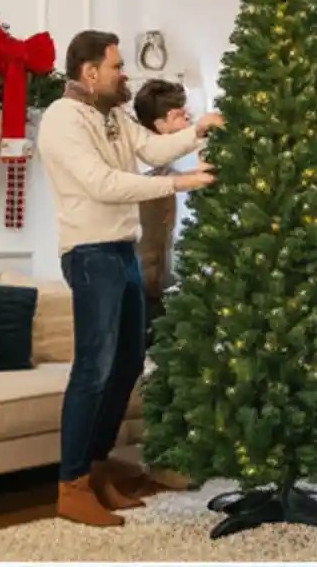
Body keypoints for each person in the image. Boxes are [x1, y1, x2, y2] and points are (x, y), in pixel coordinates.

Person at [36, 30, 223, 526]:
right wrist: (181, 182)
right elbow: (103, 183)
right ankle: (70, 484)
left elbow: (151, 147)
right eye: (117, 67)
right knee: (92, 370)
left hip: (122, 253)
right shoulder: (62, 120)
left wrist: (199, 129)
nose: (124, 75)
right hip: (89, 254)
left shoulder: (113, 114)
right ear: (89, 71)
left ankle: (97, 472)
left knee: (126, 366)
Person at [129, 78, 202, 493]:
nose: (186, 120)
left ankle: (172, 455)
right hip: (139, 285)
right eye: (178, 116)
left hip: (162, 283)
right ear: (158, 126)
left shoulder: (169, 172)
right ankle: (157, 461)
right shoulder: (142, 174)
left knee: (171, 369)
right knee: (153, 373)